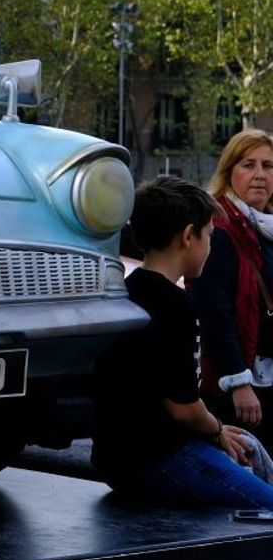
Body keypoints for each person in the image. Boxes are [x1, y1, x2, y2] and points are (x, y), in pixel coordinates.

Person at [92, 175, 273, 508]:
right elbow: (185, 408)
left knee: (249, 451)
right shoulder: (175, 306)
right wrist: (218, 429)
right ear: (189, 236)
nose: (209, 246)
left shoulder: (128, 292)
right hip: (158, 458)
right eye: (208, 236)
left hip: (115, 457)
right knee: (267, 504)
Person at [191, 129, 273, 447]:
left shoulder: (266, 226)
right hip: (240, 388)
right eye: (248, 164)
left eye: (268, 166)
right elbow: (214, 312)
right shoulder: (219, 230)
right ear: (229, 172)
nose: (259, 176)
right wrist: (238, 382)